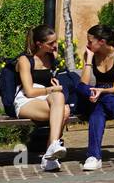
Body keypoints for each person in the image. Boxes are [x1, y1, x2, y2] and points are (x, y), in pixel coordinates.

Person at [76, 25, 114, 171]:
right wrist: (89, 59)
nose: (87, 45)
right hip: (99, 97)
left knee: (96, 112)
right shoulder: (90, 54)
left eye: (90, 41)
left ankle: (94, 157)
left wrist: (101, 91)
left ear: (102, 41)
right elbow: (84, 83)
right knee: (81, 90)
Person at [14, 26, 71, 171]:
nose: (55, 46)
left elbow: (52, 84)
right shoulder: (25, 60)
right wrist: (51, 89)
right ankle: (50, 155)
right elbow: (29, 91)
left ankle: (51, 149)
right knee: (64, 110)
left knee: (61, 100)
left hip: (45, 99)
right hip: (26, 100)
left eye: (56, 41)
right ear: (40, 44)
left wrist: (54, 84)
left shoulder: (51, 58)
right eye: (51, 43)